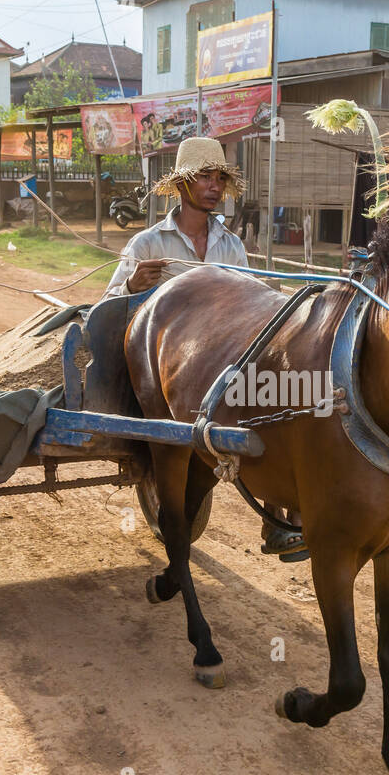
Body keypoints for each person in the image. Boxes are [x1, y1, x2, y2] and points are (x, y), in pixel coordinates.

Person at [103, 137, 306, 559]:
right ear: (181, 185)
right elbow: (106, 310)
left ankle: (279, 516)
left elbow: (251, 308)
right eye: (205, 178)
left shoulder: (230, 245)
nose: (214, 187)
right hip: (167, 366)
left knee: (286, 387)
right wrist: (131, 285)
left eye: (219, 179)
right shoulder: (146, 244)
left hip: (223, 359)